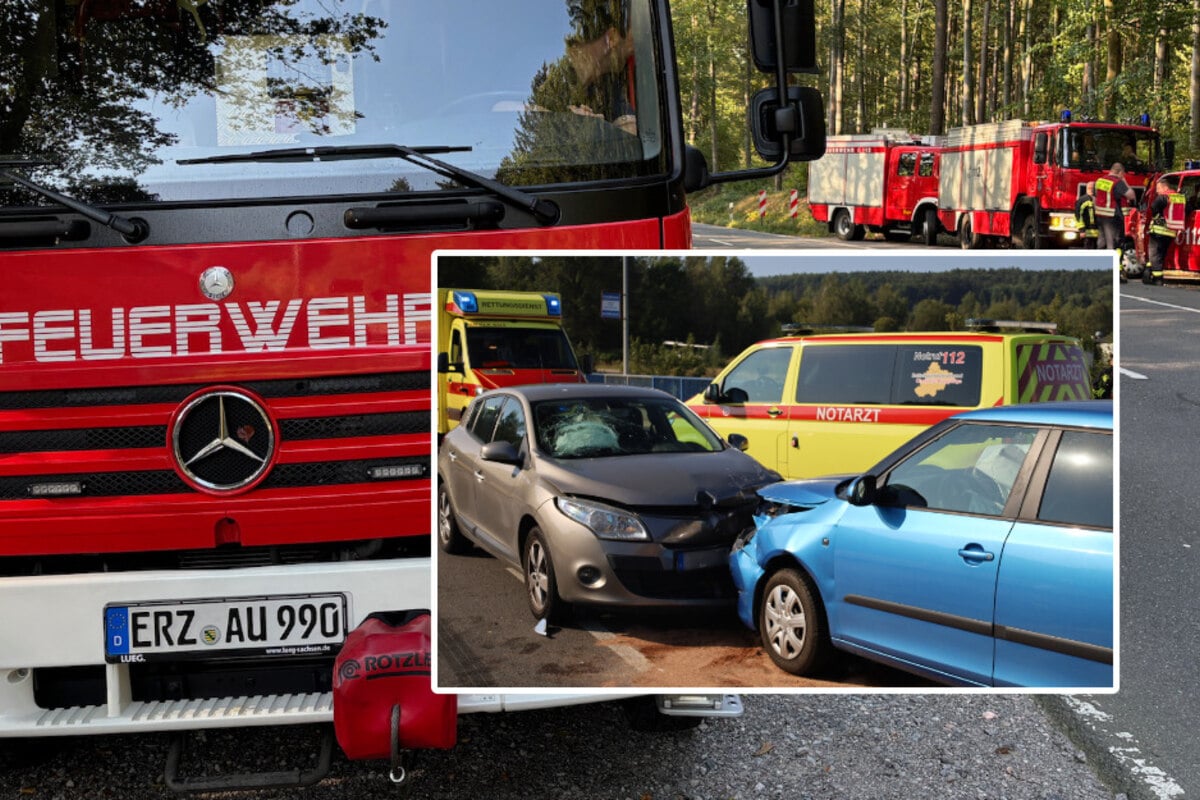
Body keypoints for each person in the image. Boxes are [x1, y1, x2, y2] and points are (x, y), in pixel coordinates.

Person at [1094, 162, 1136, 250]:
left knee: (1102, 240)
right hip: (1112, 216)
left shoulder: (1099, 180)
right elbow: (1131, 196)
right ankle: (1111, 262)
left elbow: (1096, 195)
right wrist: (1124, 181)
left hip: (1100, 215)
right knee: (1112, 242)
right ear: (1120, 172)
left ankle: (1100, 261)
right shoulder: (1117, 182)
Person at [1144, 178, 1178, 285]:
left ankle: (1158, 278)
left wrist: (1157, 216)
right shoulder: (1180, 198)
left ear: (1165, 187)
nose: (1157, 191)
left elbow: (1153, 208)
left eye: (1158, 188)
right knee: (1160, 255)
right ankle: (1150, 272)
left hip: (1159, 230)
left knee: (1154, 254)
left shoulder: (1163, 197)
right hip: (1171, 232)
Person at [1074, 181, 1098, 249]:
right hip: (1088, 233)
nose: (1091, 190)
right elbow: (1078, 216)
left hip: (1099, 234)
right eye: (1090, 188)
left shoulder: (1099, 200)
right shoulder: (1082, 200)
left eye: (1093, 188)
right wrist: (1082, 230)